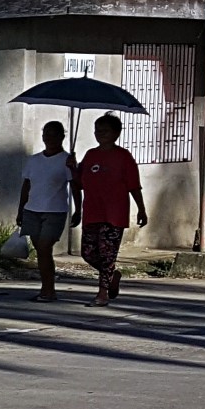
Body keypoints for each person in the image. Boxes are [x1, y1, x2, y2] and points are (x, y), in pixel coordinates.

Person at [76, 114, 148, 308]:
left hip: (114, 213)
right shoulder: (90, 155)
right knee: (88, 252)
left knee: (107, 254)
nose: (100, 134)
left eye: (105, 131)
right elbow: (78, 180)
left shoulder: (124, 157)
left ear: (116, 133)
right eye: (97, 130)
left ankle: (102, 293)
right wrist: (72, 167)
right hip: (92, 211)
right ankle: (112, 275)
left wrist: (141, 209)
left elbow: (134, 185)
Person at [17, 121, 76, 303]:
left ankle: (48, 289)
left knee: (44, 247)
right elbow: (26, 186)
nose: (48, 138)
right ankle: (47, 288)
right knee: (41, 250)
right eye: (45, 134)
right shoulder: (34, 160)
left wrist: (79, 210)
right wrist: (20, 210)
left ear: (61, 137)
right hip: (32, 210)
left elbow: (76, 186)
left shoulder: (67, 161)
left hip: (55, 211)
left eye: (53, 135)